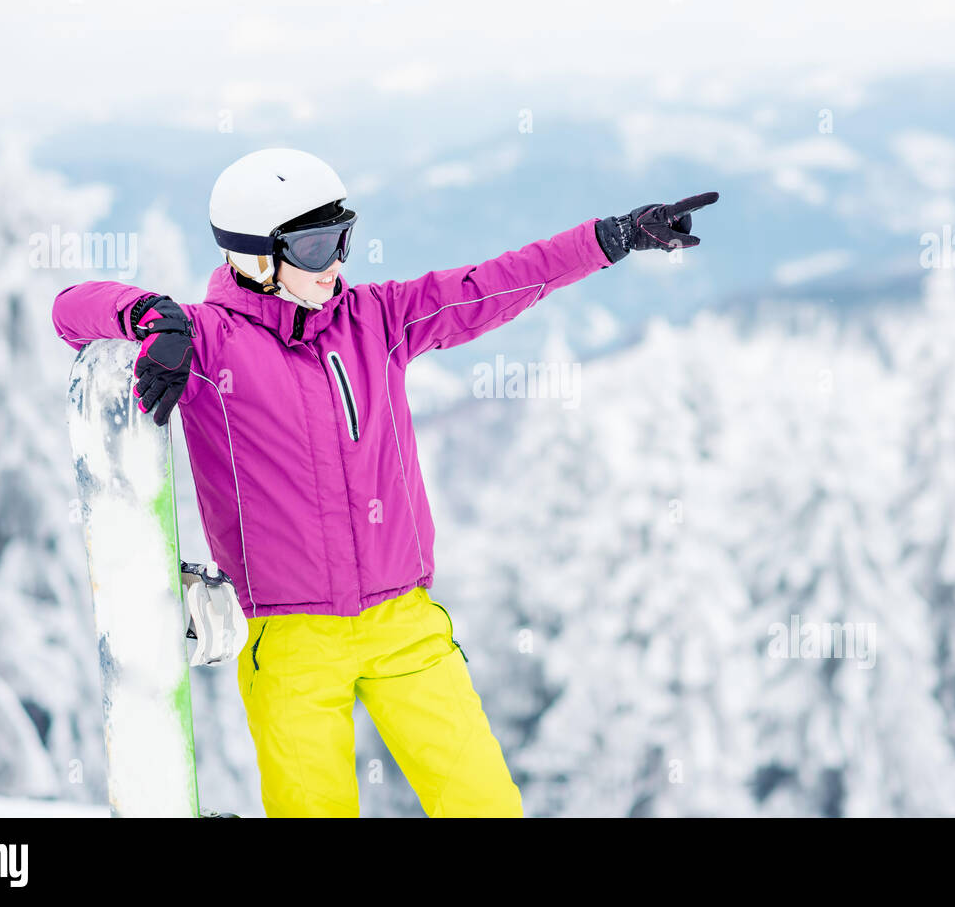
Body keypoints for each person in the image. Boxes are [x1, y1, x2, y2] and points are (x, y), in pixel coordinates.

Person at [52, 147, 718, 817]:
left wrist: (611, 238)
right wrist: (152, 318)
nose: (335, 262)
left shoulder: (377, 320)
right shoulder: (211, 343)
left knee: (484, 804)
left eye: (342, 237)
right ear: (255, 257)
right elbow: (69, 309)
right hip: (290, 641)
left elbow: (493, 284)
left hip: (404, 623)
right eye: (314, 247)